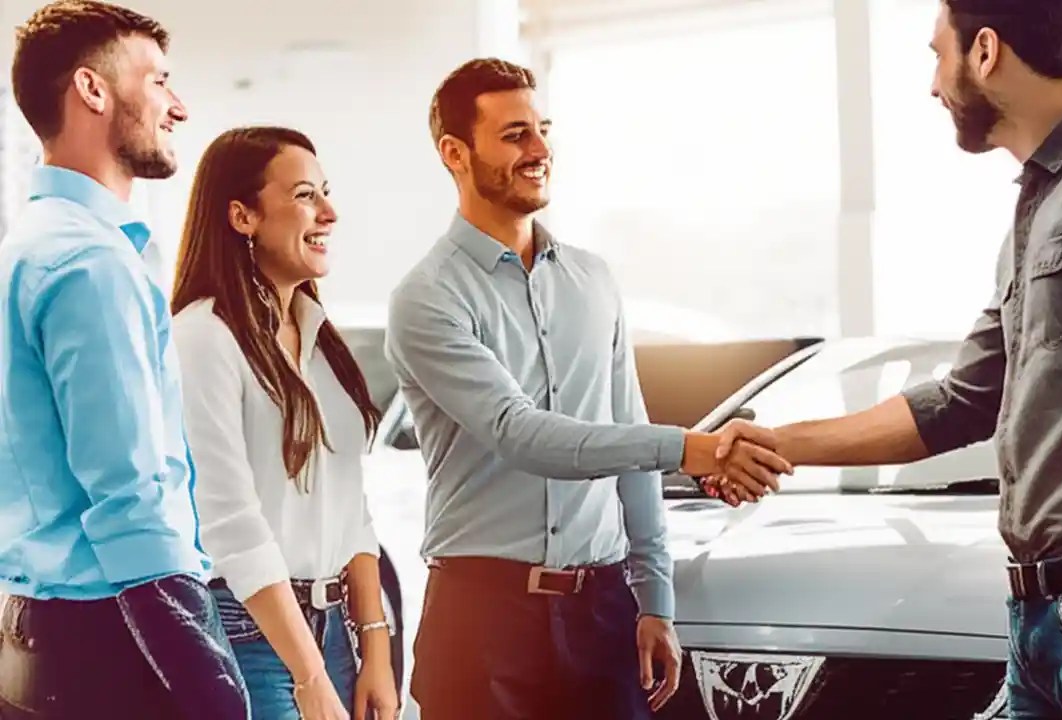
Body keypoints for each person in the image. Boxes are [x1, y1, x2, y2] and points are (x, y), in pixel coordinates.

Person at [708, 1, 1062, 719]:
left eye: (935, 55)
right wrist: (778, 445)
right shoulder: (1039, 208)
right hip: (1041, 625)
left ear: (984, 51)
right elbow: (961, 402)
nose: (933, 85)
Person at [384, 58, 790, 719]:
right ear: (455, 153)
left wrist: (654, 598)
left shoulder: (593, 280)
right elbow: (522, 435)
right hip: (482, 618)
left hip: (601, 610)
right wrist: (694, 448)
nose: (540, 150)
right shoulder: (428, 297)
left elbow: (625, 435)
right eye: (515, 134)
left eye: (542, 129)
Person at [0, 2, 250, 718]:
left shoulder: (32, 245)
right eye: (160, 80)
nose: (178, 106)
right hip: (107, 642)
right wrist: (212, 684)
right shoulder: (89, 263)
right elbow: (130, 494)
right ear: (93, 90)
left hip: (40, 635)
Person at [170, 126, 400, 720]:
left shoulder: (319, 337)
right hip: (253, 636)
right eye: (305, 195)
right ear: (242, 216)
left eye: (326, 192)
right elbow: (232, 524)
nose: (329, 212)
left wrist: (375, 649)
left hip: (334, 631)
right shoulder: (202, 337)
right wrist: (308, 674)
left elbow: (353, 508)